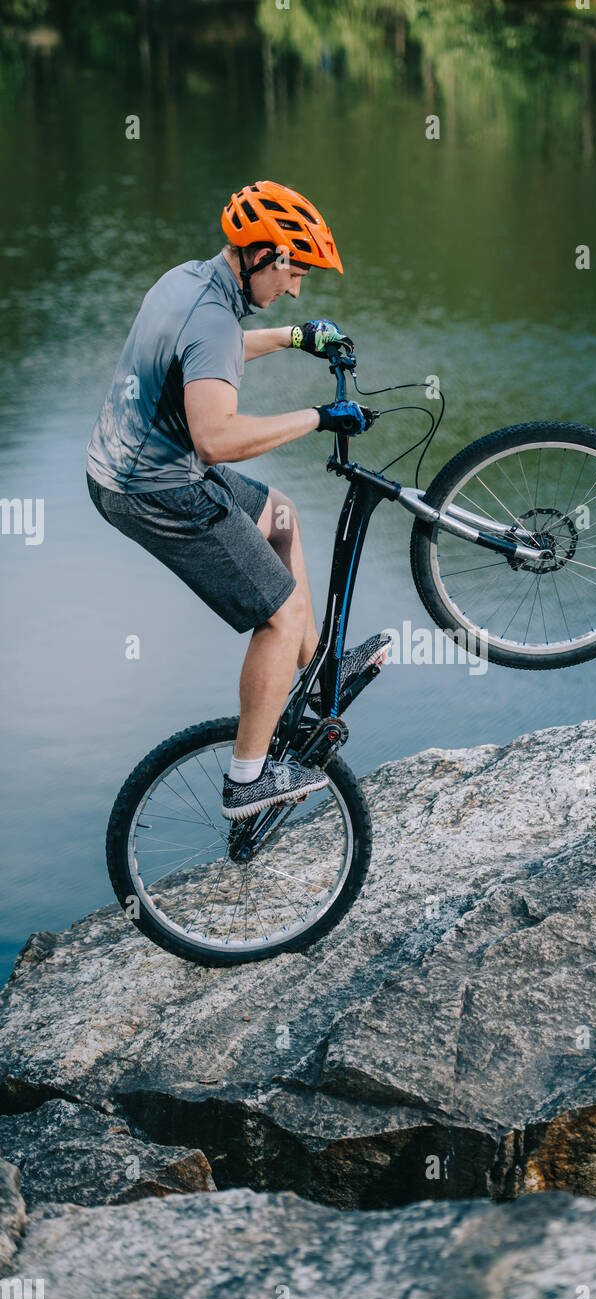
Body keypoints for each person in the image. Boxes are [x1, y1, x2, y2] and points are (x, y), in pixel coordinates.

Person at [86, 179, 391, 821]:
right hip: (156, 488)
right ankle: (248, 780)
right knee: (277, 614)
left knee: (279, 514)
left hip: (134, 466)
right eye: (293, 269)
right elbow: (217, 438)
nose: (297, 284)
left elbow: (209, 354)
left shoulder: (190, 283)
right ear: (261, 254)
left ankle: (315, 680)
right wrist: (320, 416)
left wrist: (292, 337)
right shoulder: (211, 315)